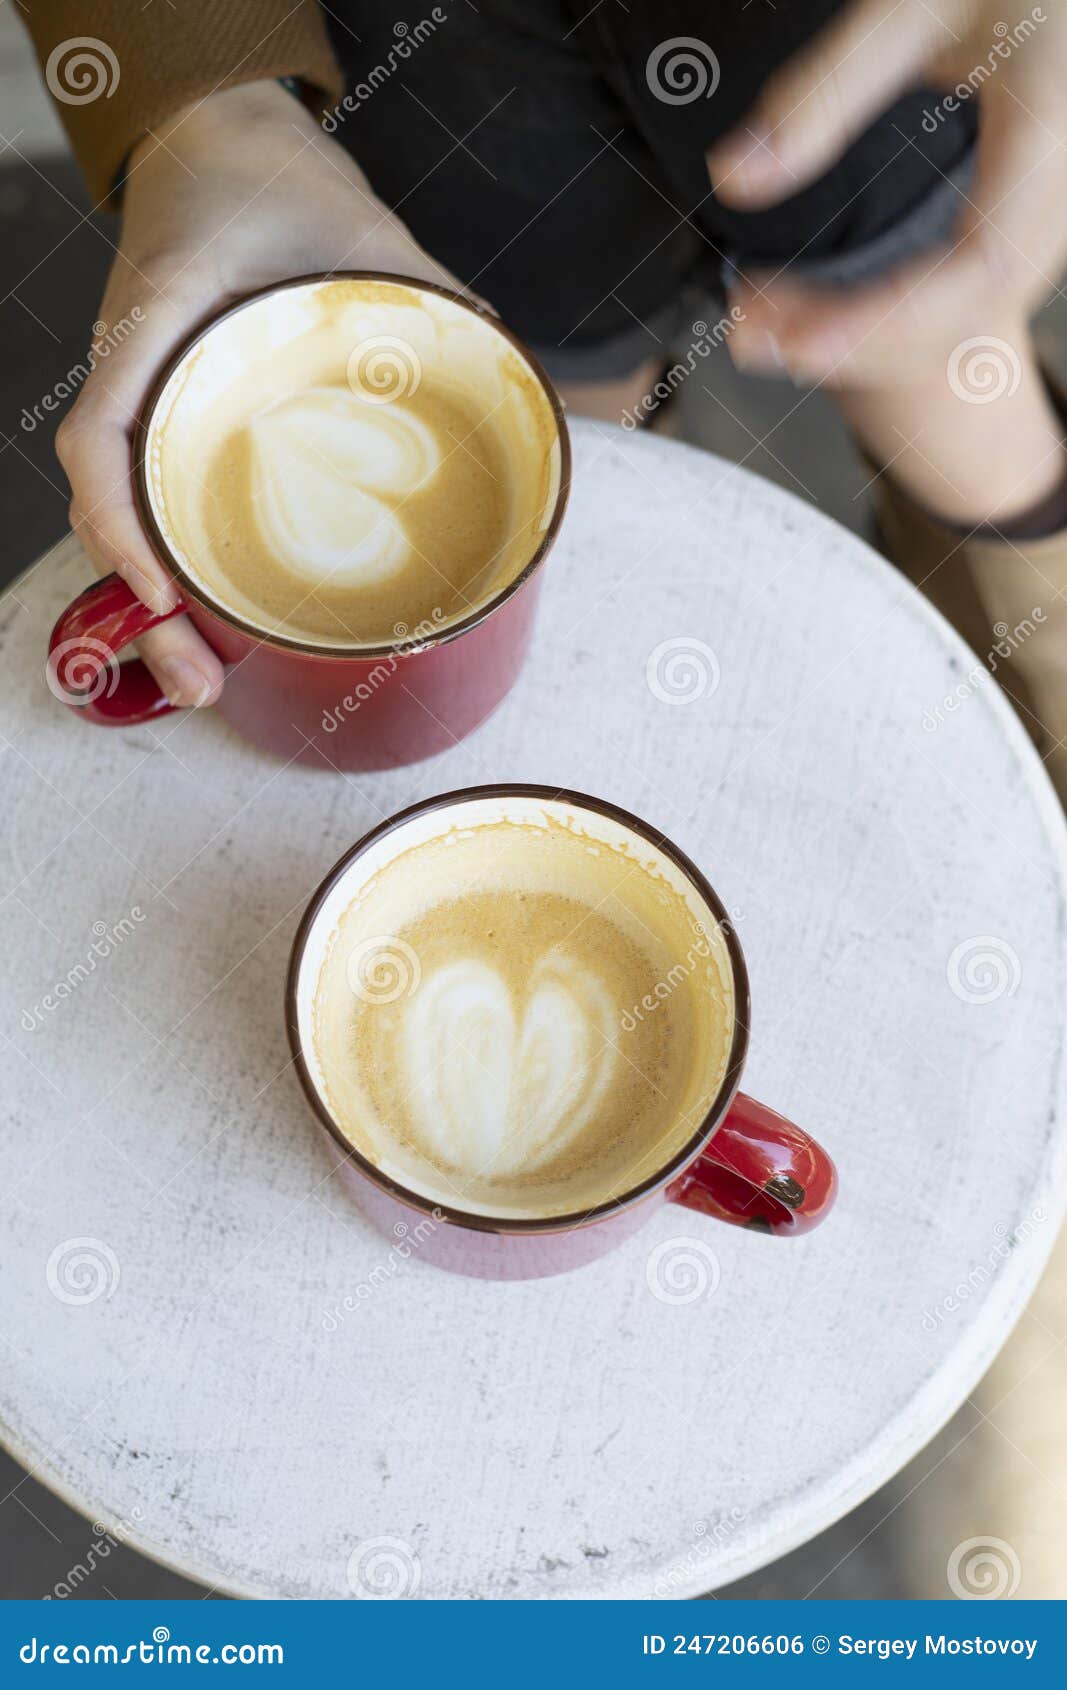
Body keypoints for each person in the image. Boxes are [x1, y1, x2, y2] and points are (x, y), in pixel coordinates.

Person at [23, 0, 1067, 797]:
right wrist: (203, 101)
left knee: (935, 355)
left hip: (864, 29)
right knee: (540, 395)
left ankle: (1023, 688)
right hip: (435, 48)